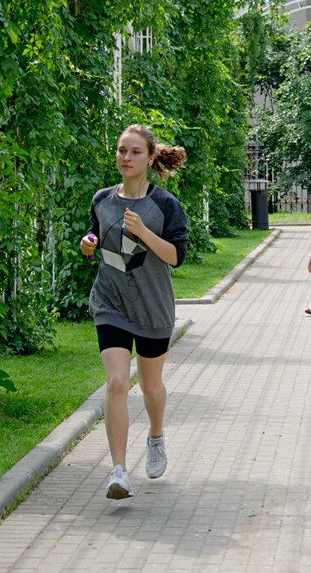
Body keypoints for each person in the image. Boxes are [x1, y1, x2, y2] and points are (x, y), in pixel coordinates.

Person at [80, 124, 189, 500]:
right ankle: (118, 471)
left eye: (134, 152)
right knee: (116, 383)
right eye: (121, 150)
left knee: (150, 385)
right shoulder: (102, 199)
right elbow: (96, 234)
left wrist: (144, 231)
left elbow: (175, 257)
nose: (125, 158)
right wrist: (88, 243)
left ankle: (156, 436)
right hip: (110, 301)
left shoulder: (165, 205)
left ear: (150, 157)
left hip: (152, 307)